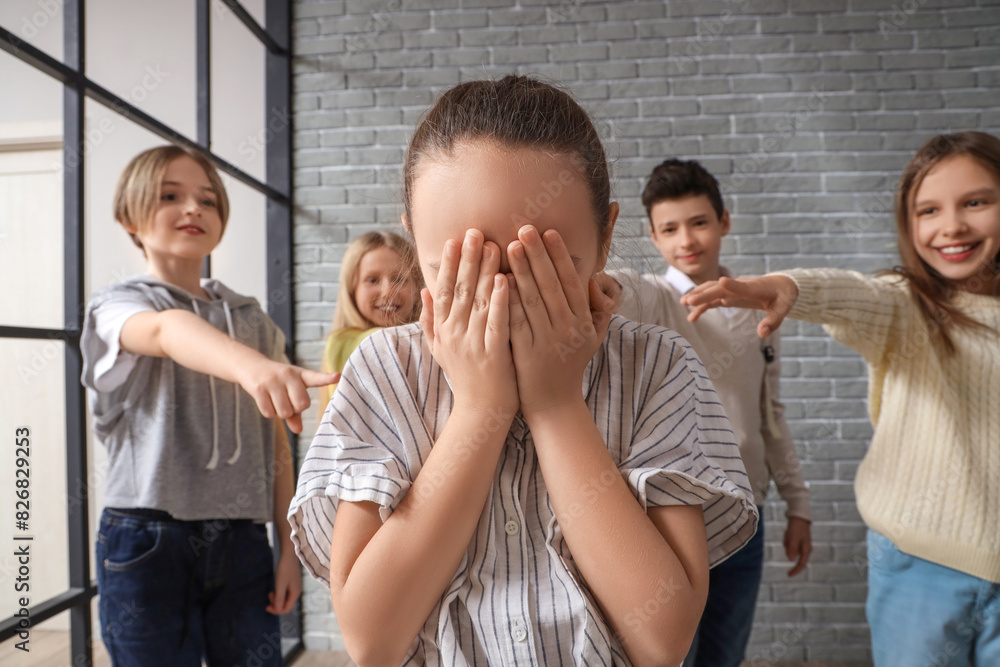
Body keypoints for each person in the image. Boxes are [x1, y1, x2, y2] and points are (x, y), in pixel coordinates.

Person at [288, 75, 758, 667]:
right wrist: (481, 409)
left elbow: (661, 638)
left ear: (607, 236)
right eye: (459, 269)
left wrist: (556, 404)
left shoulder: (656, 367)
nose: (502, 304)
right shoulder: (384, 370)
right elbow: (371, 640)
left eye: (542, 269)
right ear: (414, 240)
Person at [681, 131, 1000, 667]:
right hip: (920, 564)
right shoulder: (907, 305)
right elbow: (858, 296)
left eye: (976, 202)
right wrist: (792, 287)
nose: (951, 226)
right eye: (928, 210)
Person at [80, 145, 337, 667]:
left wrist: (288, 548)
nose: (193, 208)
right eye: (170, 195)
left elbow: (276, 443)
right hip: (145, 540)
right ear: (129, 215)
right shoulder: (117, 307)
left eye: (208, 200)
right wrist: (254, 367)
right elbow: (168, 330)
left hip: (243, 540)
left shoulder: (251, 320)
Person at [603, 158, 811, 667]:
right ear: (653, 237)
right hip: (670, 515)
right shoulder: (653, 300)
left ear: (724, 222)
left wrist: (797, 502)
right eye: (669, 229)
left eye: (698, 222)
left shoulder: (762, 310)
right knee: (671, 655)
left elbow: (770, 414)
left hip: (748, 509)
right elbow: (619, 284)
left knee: (724, 655)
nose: (686, 240)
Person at [317, 231, 421, 416]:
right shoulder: (343, 343)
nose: (388, 291)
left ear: (416, 287)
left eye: (399, 279)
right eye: (373, 280)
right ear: (352, 289)